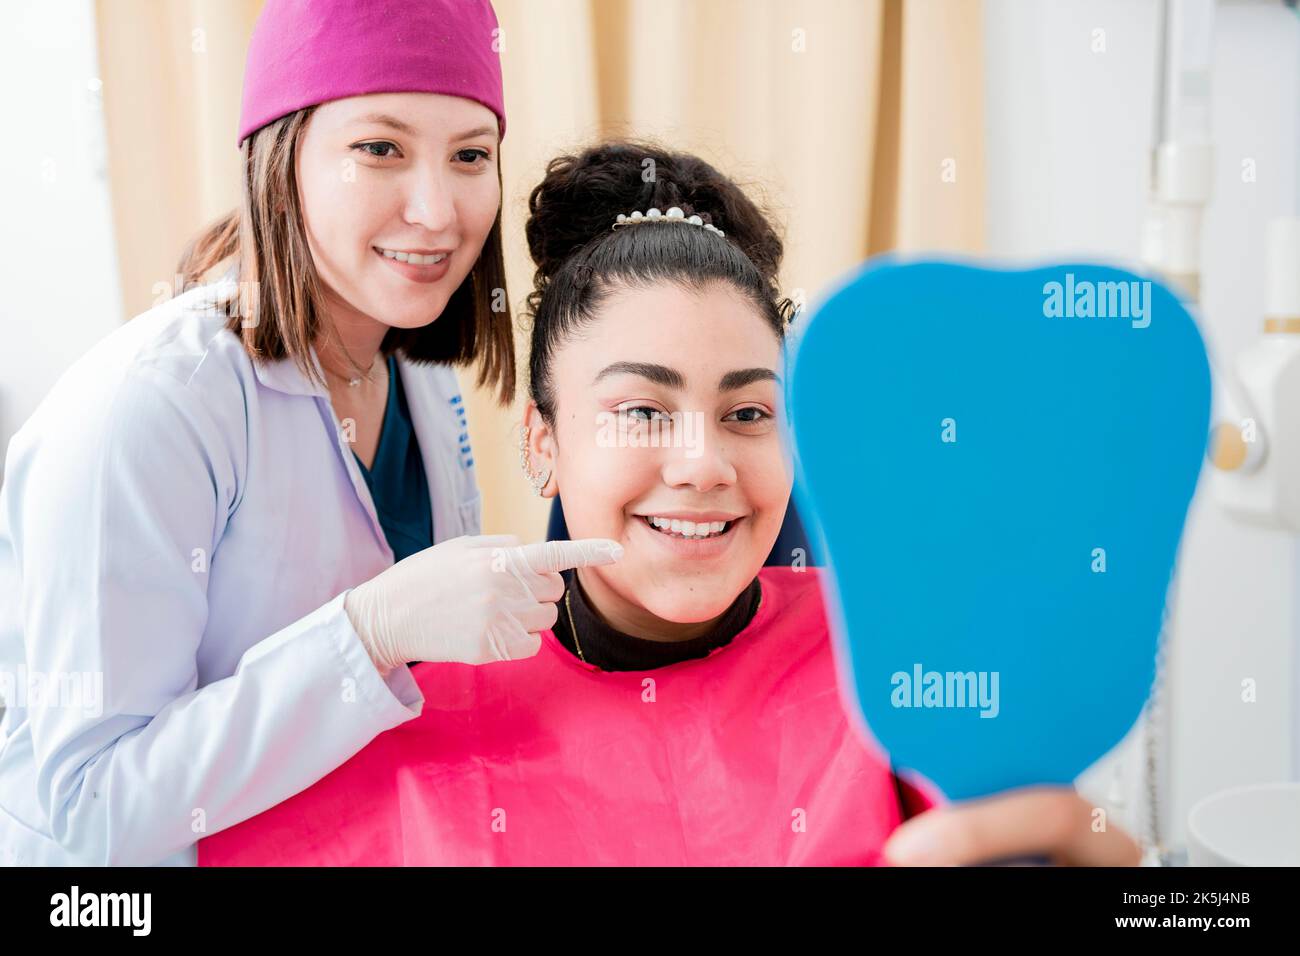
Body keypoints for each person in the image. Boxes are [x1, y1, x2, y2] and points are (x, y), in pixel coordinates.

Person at [198, 142, 1142, 866]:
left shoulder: (889, 654)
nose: (702, 465)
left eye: (747, 412)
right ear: (543, 440)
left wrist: (1078, 834)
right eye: (642, 409)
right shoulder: (402, 704)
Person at [0, 0, 618, 867]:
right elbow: (93, 807)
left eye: (472, 155)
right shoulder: (147, 408)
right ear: (280, 157)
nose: (439, 212)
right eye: (380, 149)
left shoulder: (419, 376)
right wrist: (369, 633)